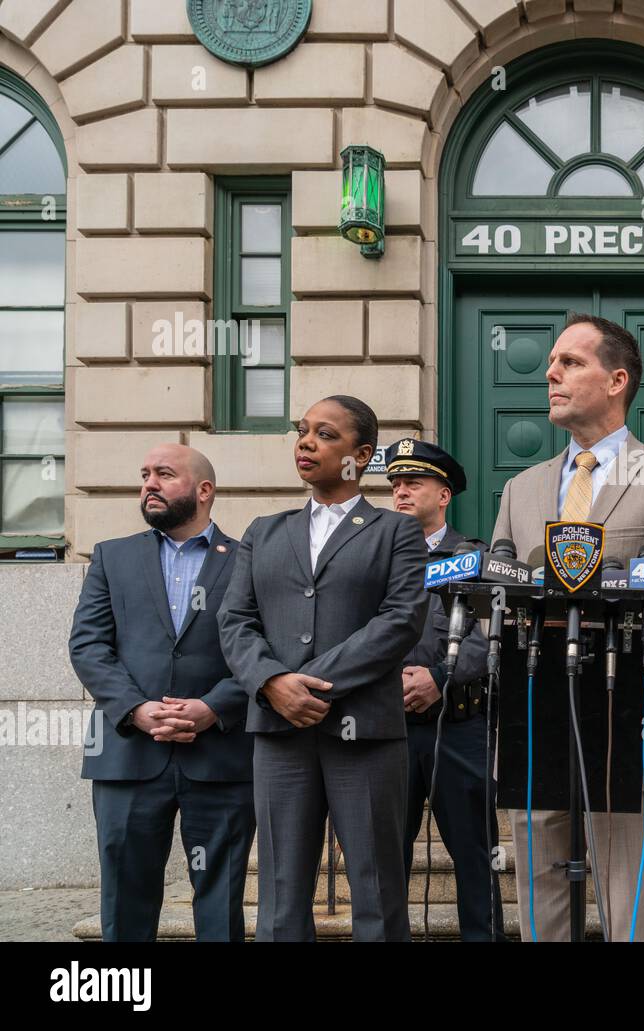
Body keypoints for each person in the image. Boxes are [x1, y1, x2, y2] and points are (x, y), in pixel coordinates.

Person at [492, 312, 644, 941]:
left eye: (570, 362)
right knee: (540, 900)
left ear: (617, 379)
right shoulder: (521, 489)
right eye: (551, 362)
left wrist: (612, 629)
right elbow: (499, 593)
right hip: (537, 712)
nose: (550, 373)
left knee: (626, 905)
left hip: (635, 717)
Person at [218, 395, 429, 942]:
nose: (306, 442)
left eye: (325, 434)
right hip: (278, 732)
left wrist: (309, 681)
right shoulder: (263, 531)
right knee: (281, 896)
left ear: (361, 454)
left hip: (365, 732)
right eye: (302, 431)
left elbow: (400, 620)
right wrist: (271, 682)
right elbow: (235, 621)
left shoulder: (395, 531)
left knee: (377, 889)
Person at [69, 444, 253, 942]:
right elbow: (88, 646)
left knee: (220, 900)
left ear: (204, 491)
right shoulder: (113, 556)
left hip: (221, 756)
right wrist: (137, 709)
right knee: (126, 900)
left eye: (164, 474)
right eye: (144, 474)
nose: (148, 483)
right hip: (128, 753)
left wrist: (213, 707)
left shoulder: (247, 561)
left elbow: (263, 651)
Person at [386, 437, 506, 941]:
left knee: (475, 854)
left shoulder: (473, 557)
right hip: (387, 728)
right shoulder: (378, 556)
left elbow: (493, 638)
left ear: (443, 495)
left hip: (458, 726)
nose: (401, 493)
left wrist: (439, 677)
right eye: (395, 484)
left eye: (414, 483)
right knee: (385, 853)